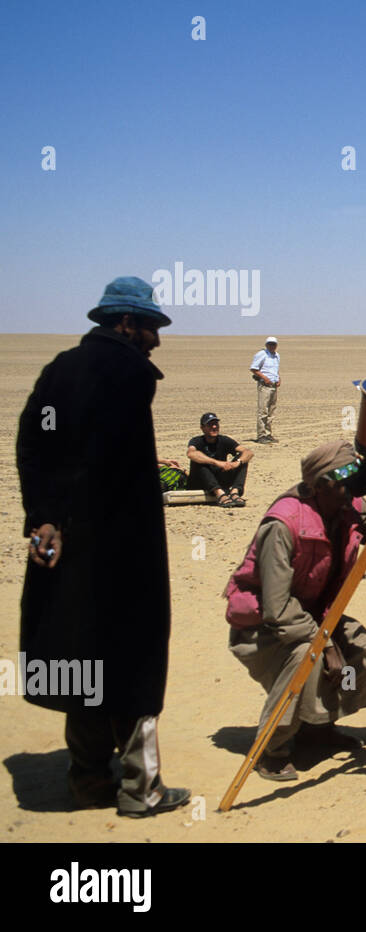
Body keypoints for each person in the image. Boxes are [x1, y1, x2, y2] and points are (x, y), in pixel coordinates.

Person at [17, 276, 190, 817]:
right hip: (120, 550)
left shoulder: (58, 369)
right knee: (134, 659)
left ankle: (88, 778)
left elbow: (34, 443)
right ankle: (142, 790)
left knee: (82, 654)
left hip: (67, 549)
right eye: (150, 328)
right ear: (125, 324)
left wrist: (46, 519)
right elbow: (111, 469)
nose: (156, 341)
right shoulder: (128, 374)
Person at [224, 440, 366, 781]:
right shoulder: (283, 524)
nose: (351, 487)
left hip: (318, 615)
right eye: (345, 479)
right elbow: (278, 609)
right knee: (308, 660)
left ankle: (319, 725)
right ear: (320, 484)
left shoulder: (348, 505)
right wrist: (324, 642)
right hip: (262, 626)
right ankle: (271, 748)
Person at [187, 412, 254, 507]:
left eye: (216, 424)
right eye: (210, 425)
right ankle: (220, 494)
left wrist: (236, 463)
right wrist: (217, 463)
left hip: (219, 479)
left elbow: (248, 452)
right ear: (202, 428)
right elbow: (191, 453)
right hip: (201, 482)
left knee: (243, 459)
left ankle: (235, 492)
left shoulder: (224, 440)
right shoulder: (197, 441)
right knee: (199, 460)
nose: (214, 427)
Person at [250, 337, 281, 443]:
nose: (272, 346)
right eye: (270, 344)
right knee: (263, 411)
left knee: (271, 411)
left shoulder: (277, 356)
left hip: (273, 386)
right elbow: (254, 369)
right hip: (264, 386)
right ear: (266, 345)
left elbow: (275, 369)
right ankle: (261, 435)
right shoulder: (262, 354)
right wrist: (264, 378)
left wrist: (278, 378)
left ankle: (268, 434)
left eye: (274, 344)